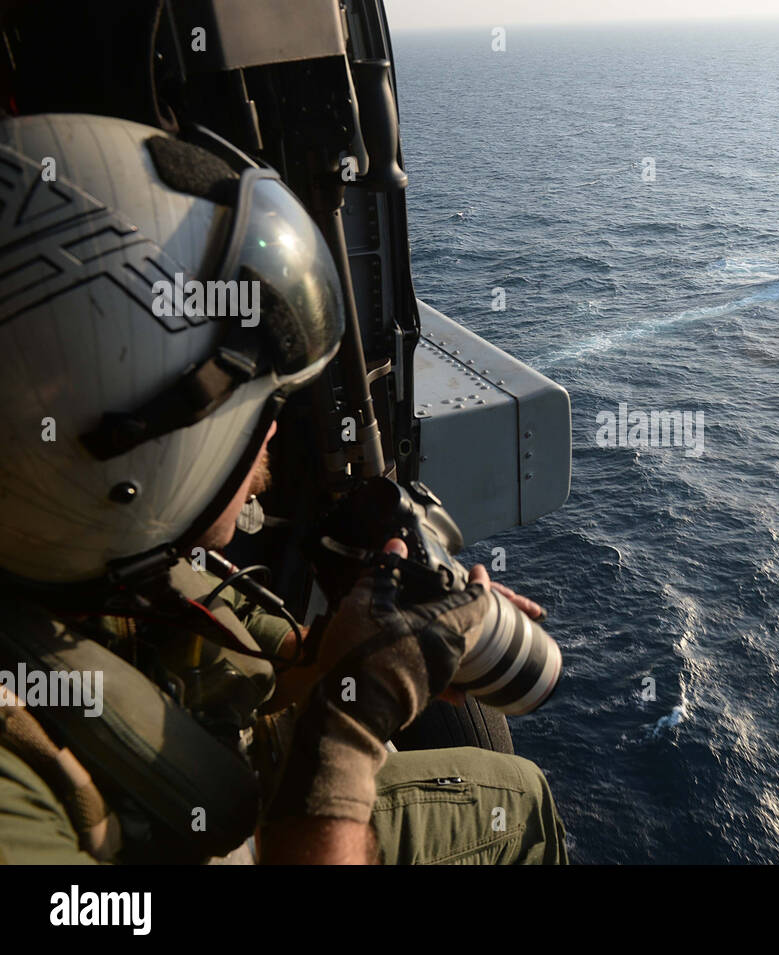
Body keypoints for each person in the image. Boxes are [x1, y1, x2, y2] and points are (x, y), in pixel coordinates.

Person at [0, 111, 567, 865]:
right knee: (519, 812)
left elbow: (287, 667)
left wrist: (386, 641)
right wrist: (352, 724)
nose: (274, 430)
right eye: (248, 413)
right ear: (134, 462)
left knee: (514, 791)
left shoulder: (109, 552)